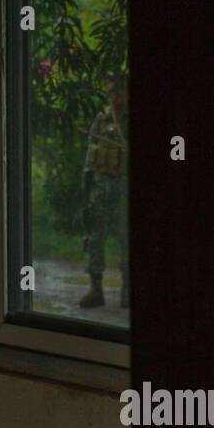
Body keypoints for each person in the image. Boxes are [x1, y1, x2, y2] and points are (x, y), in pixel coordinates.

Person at [79, 80, 128, 309]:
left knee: (126, 240)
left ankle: (128, 291)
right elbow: (90, 156)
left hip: (123, 189)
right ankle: (95, 290)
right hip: (99, 190)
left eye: (117, 91)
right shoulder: (101, 120)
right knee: (95, 240)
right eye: (110, 92)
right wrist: (86, 190)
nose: (113, 96)